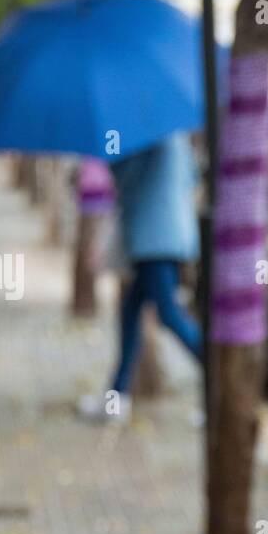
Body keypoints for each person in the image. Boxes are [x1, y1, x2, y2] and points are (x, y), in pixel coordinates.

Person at [77, 131, 202, 422]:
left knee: (168, 314)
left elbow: (125, 181)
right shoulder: (174, 136)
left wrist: (111, 157)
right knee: (131, 313)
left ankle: (216, 377)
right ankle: (117, 396)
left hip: (154, 239)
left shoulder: (149, 137)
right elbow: (191, 178)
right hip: (166, 236)